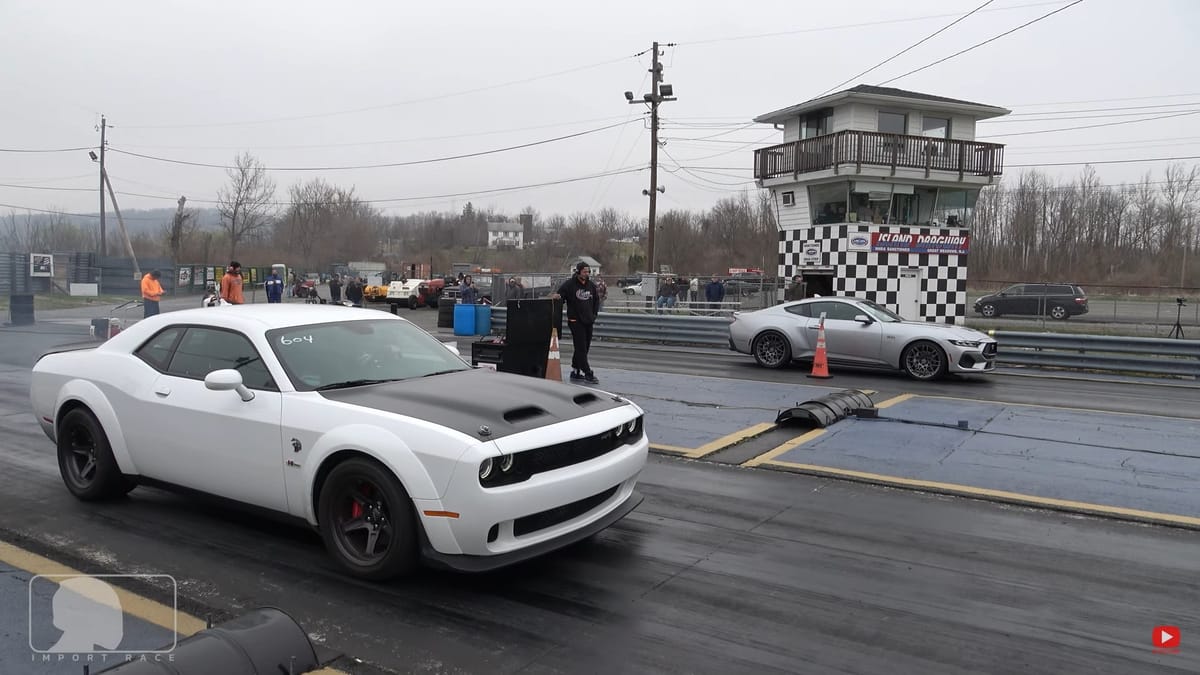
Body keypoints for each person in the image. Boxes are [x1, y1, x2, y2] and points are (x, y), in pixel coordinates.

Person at [552, 262, 600, 384]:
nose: (587, 274)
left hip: (588, 321)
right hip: (575, 321)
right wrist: (557, 297)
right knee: (581, 348)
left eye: (588, 271)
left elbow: (596, 301)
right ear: (578, 272)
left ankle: (575, 370)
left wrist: (593, 316)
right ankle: (587, 372)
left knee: (585, 347)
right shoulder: (569, 285)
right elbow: (560, 297)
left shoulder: (591, 285)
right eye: (584, 271)